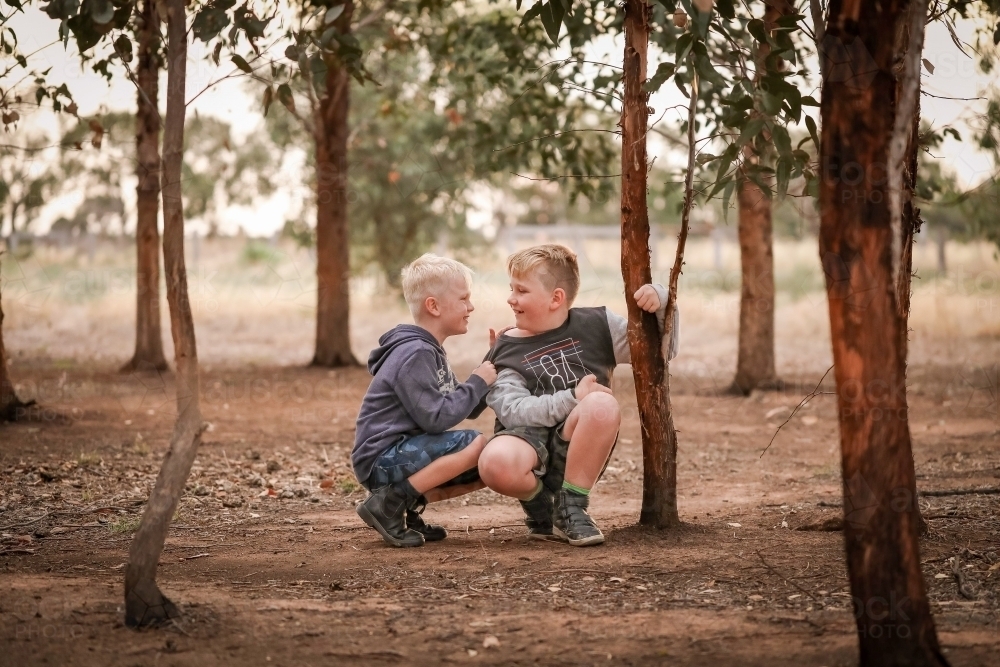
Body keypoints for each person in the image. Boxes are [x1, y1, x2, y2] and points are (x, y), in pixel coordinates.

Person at [479, 244, 679, 546]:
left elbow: (662, 351)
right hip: (525, 449)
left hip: (577, 450)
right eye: (512, 289)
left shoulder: (597, 326)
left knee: (601, 403)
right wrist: (573, 396)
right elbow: (513, 411)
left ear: (556, 298)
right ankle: (541, 505)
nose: (511, 298)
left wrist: (663, 301)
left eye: (521, 290)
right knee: (494, 462)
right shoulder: (506, 347)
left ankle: (571, 507)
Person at [352, 253, 497, 548]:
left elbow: (464, 406)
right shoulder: (416, 352)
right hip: (380, 459)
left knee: (488, 463)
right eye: (463, 299)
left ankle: (404, 508)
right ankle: (388, 504)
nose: (471, 307)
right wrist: (477, 381)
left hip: (398, 452)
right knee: (475, 444)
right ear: (434, 306)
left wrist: (495, 362)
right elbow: (437, 418)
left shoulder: (429, 350)